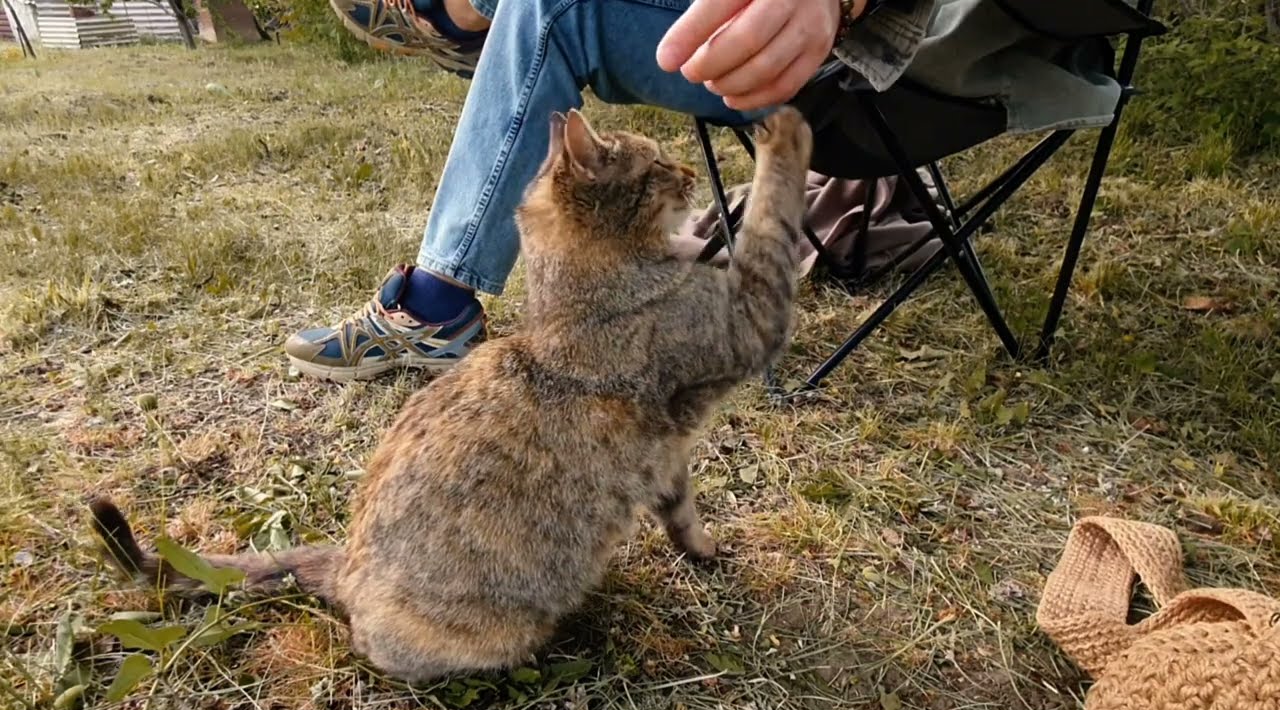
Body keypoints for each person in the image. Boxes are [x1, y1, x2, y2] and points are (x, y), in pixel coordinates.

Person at [287, 0, 1127, 382]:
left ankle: (434, 303)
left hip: (891, 61)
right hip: (783, 36)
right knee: (541, 9)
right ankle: (473, 17)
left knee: (547, 12)